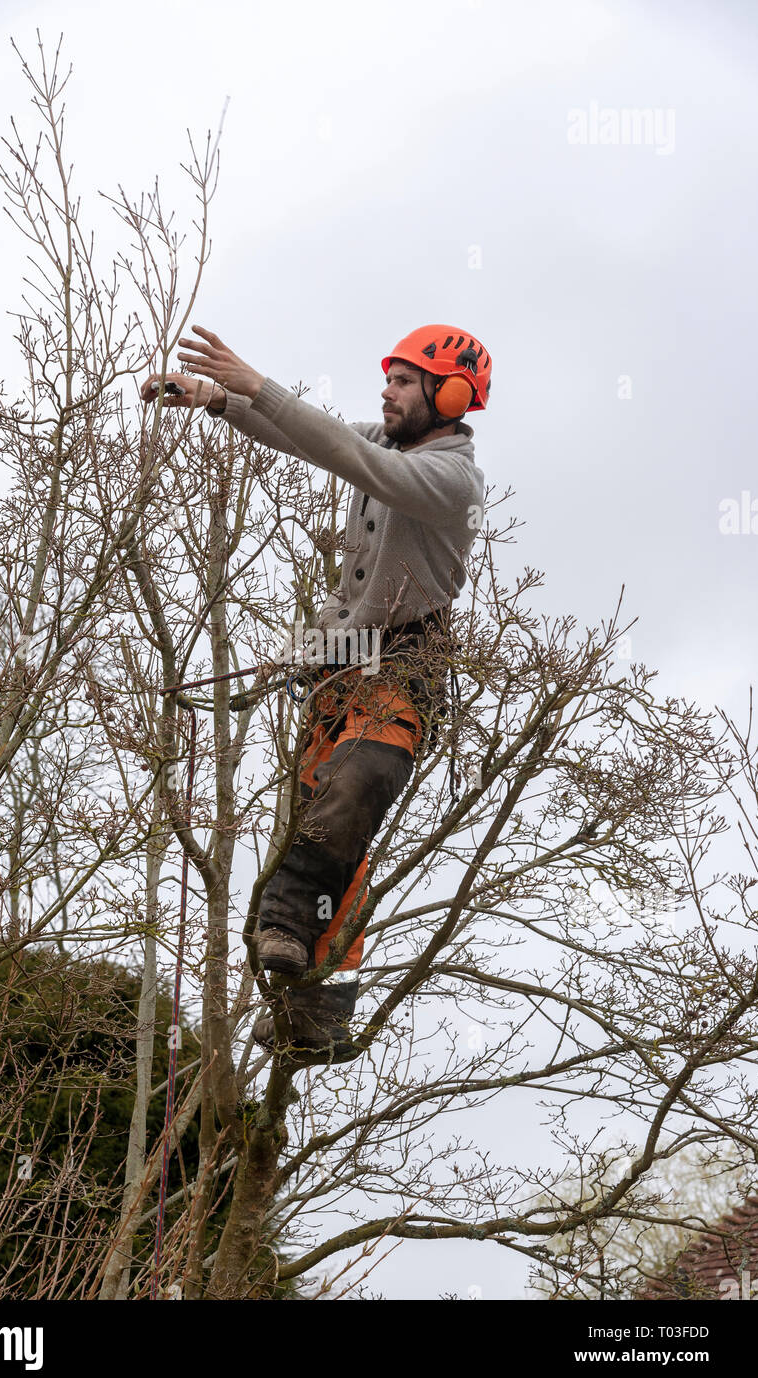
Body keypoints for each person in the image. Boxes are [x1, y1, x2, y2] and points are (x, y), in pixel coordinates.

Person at [141, 324, 490, 1062]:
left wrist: (255, 382)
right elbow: (311, 436)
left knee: (357, 787)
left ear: (450, 395)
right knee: (333, 834)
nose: (386, 392)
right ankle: (314, 1015)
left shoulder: (449, 478)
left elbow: (346, 454)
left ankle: (286, 920)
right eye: (388, 379)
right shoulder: (390, 446)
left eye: (403, 381)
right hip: (337, 665)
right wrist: (216, 399)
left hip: (402, 664)